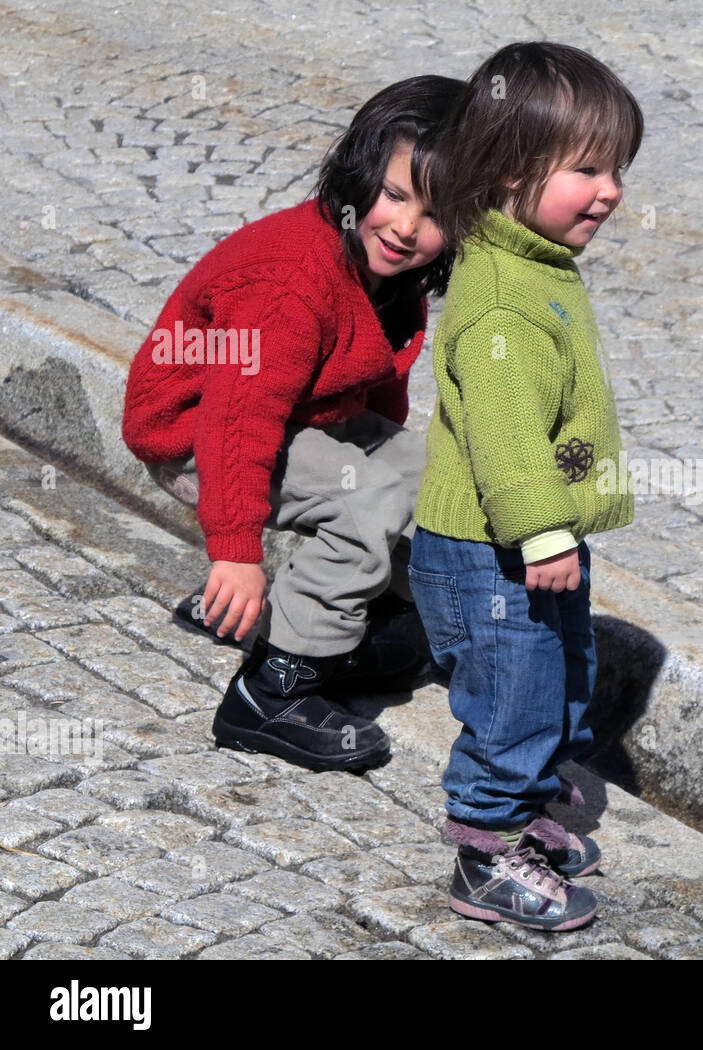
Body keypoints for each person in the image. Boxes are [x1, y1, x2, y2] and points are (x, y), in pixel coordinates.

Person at [121, 75, 469, 773]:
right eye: (395, 195)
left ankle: (361, 618)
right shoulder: (291, 284)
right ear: (360, 172)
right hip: (198, 431)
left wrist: (382, 448)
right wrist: (236, 554)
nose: (405, 228)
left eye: (435, 214)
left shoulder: (385, 269)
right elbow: (236, 420)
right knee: (362, 499)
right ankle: (273, 690)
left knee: (431, 470)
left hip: (297, 417)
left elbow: (379, 386)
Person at [406, 42, 643, 932]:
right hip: (490, 551)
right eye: (586, 169)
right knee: (512, 696)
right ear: (510, 170)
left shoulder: (533, 262)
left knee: (558, 678)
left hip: (525, 545)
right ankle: (483, 851)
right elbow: (506, 439)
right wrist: (544, 532)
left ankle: (529, 808)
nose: (610, 191)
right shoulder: (503, 300)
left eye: (615, 168)